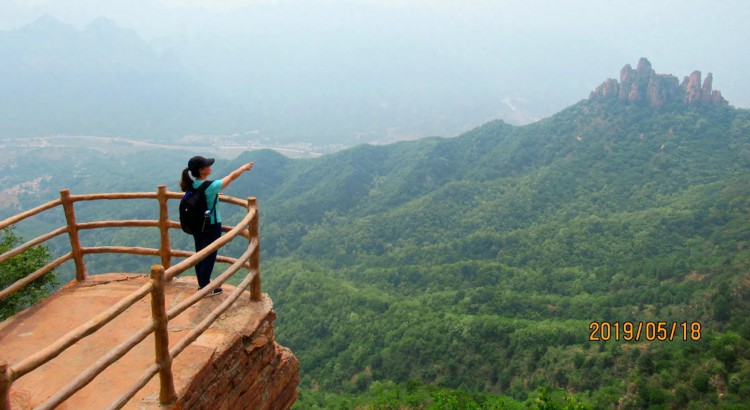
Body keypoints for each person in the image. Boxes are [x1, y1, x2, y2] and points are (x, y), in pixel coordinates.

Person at [180, 156, 254, 296]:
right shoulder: (211, 186)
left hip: (197, 225)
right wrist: (244, 168)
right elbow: (231, 177)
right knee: (209, 256)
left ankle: (202, 285)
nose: (210, 166)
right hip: (211, 225)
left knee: (200, 254)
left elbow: (201, 196)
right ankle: (205, 287)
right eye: (207, 165)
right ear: (202, 170)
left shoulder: (192, 185)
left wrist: (214, 195)